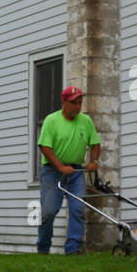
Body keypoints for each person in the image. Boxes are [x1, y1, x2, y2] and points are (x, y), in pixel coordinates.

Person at [37, 85, 101, 255]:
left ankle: (73, 249)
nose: (78, 107)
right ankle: (43, 248)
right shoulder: (52, 120)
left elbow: (95, 144)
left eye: (80, 103)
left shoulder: (85, 121)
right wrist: (60, 167)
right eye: (74, 103)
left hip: (76, 172)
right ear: (63, 102)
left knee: (78, 209)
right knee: (48, 212)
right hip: (52, 172)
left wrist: (93, 161)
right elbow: (44, 147)